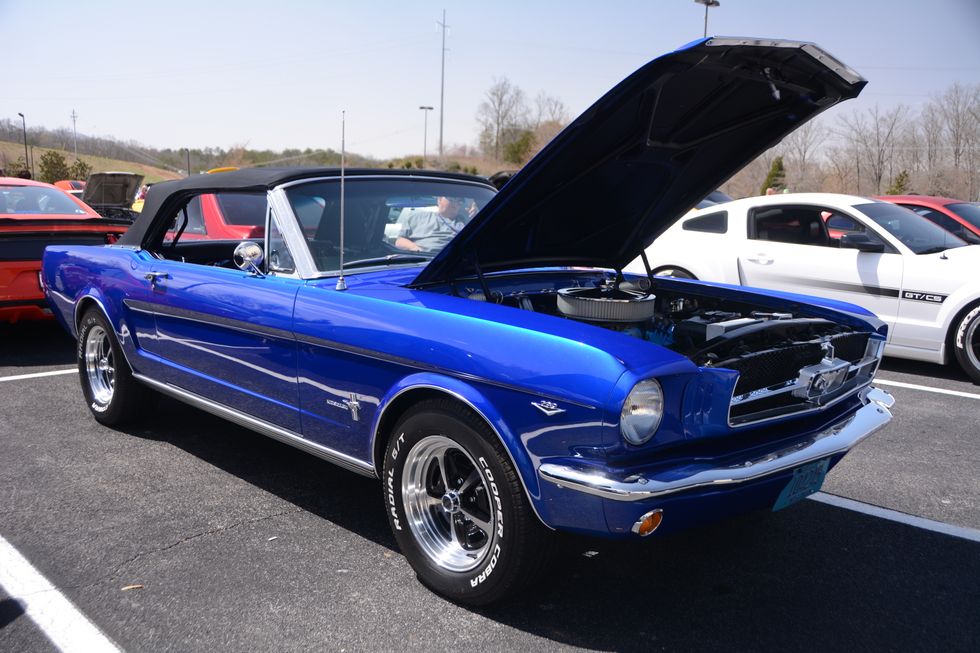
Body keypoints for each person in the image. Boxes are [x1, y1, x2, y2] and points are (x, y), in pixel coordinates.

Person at [394, 196, 470, 253]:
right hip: (421, 261)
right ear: (439, 199)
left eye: (459, 202)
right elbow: (399, 241)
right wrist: (415, 248)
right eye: (452, 199)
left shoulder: (465, 221)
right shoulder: (417, 217)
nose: (455, 205)